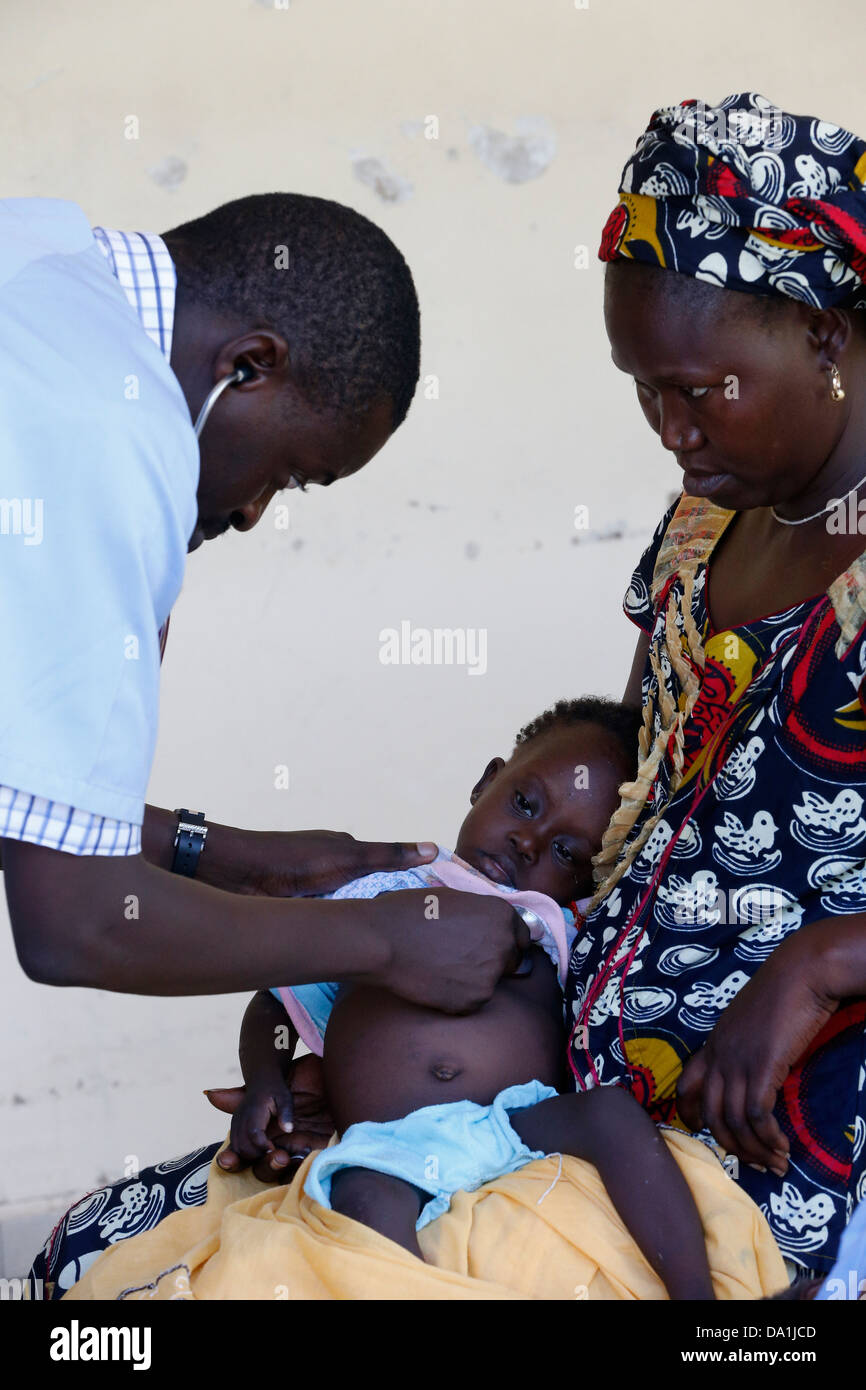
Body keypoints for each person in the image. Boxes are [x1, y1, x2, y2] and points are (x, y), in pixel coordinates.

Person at [0, 195, 527, 1028]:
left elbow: (26, 807)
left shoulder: (40, 261)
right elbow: (76, 923)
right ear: (248, 365)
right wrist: (383, 940)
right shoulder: (114, 432)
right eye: (288, 476)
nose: (251, 514)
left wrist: (211, 854)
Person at [60, 700, 784, 1301]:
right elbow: (276, 1006)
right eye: (525, 803)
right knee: (363, 1198)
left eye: (569, 852)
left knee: (611, 1116)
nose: (531, 841)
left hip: (514, 1122)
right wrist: (268, 1084)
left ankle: (705, 1308)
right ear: (486, 781)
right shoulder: (387, 887)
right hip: (391, 1139)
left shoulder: (569, 926)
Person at [567, 89, 866, 1278]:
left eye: (698, 389)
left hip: (790, 1152)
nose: (667, 428)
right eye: (640, 387)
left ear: (825, 340)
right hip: (612, 1116)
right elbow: (635, 798)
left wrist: (821, 958)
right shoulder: (705, 524)